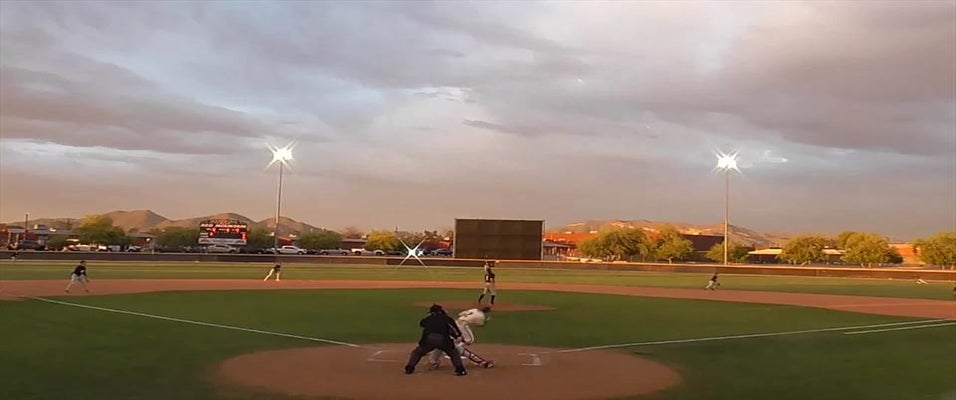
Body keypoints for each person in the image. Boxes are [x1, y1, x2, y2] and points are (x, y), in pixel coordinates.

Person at [404, 304, 467, 376]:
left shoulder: (428, 319)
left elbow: (422, 323)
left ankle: (409, 368)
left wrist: (431, 318)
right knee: (453, 353)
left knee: (417, 352)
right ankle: (460, 370)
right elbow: (454, 329)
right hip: (443, 340)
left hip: (428, 340)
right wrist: (458, 336)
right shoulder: (447, 318)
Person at [428, 306, 494, 369]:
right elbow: (480, 325)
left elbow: (460, 314)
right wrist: (486, 321)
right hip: (451, 338)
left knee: (441, 347)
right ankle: (482, 362)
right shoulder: (481, 316)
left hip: (451, 332)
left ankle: (433, 361)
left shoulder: (474, 310)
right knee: (466, 345)